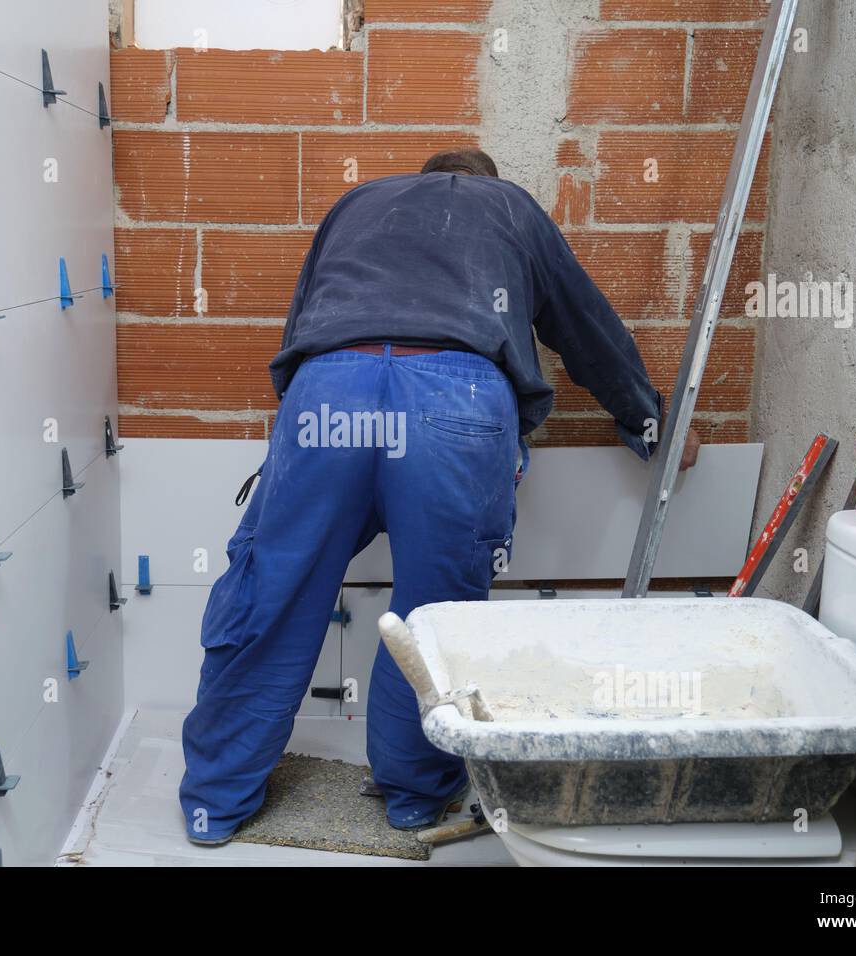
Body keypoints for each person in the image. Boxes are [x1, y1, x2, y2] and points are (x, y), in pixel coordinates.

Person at [179, 148, 700, 844]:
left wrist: (304, 453)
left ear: (419, 180)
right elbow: (585, 326)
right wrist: (648, 421)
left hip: (331, 394)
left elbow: (306, 323)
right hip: (455, 401)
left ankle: (215, 802)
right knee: (433, 615)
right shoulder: (510, 207)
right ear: (487, 181)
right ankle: (414, 798)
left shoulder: (358, 203)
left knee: (271, 589)